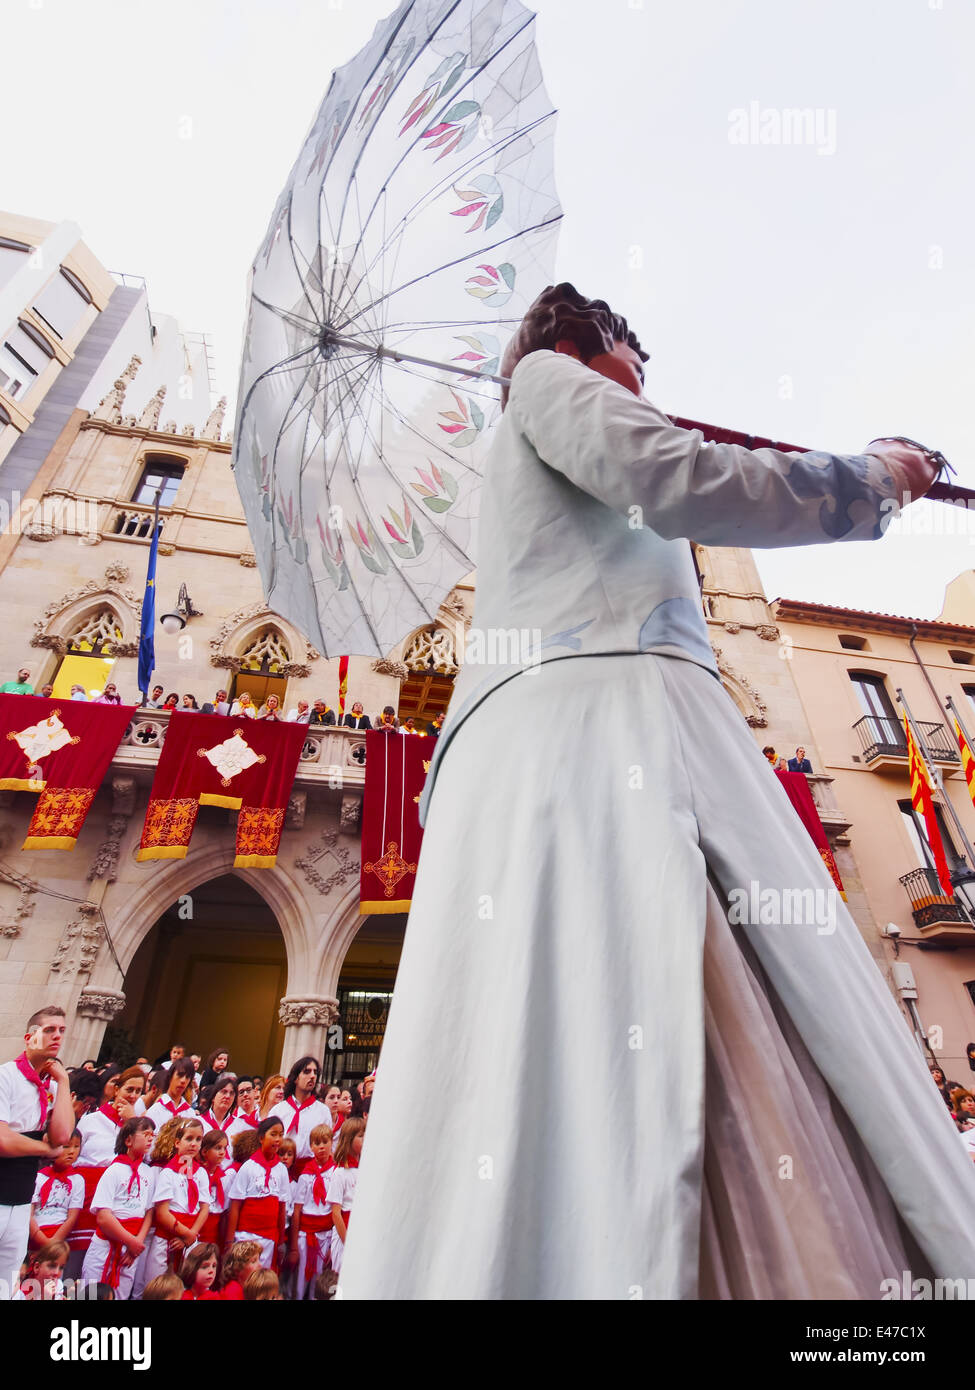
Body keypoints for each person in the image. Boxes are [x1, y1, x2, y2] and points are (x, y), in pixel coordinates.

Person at [341, 281, 975, 1300]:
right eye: (638, 366)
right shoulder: (549, 383)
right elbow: (676, 476)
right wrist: (875, 479)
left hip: (553, 732)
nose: (649, 389)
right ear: (586, 348)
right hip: (607, 716)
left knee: (585, 1016)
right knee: (670, 985)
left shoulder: (530, 443)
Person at [0, 1005, 73, 1297]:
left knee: (6, 1285)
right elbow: (3, 1140)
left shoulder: (51, 1083)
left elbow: (63, 1135)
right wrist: (45, 1148)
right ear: (30, 1037)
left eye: (62, 1031)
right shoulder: (6, 1076)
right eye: (49, 1030)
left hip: (20, 1199)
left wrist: (65, 1081)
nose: (57, 1036)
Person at [82, 1116, 155, 1299]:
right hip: (105, 1247)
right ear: (128, 1140)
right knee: (92, 1293)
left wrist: (136, 1244)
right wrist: (131, 1242)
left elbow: (148, 1212)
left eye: (152, 1135)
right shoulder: (113, 1171)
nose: (150, 1139)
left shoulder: (148, 1173)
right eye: (145, 1134)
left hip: (130, 1250)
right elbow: (103, 1217)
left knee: (121, 1294)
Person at [142, 1115, 209, 1285]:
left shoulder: (201, 1173)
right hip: (168, 1239)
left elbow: (204, 1208)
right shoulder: (168, 1173)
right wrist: (186, 1234)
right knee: (158, 1284)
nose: (194, 1143)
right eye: (189, 1138)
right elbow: (162, 1212)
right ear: (177, 1142)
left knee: (185, 1285)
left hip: (190, 1240)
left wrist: (190, 1236)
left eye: (198, 1139)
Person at [225, 1117, 289, 1269]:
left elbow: (281, 1207)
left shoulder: (281, 1170)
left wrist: (280, 1241)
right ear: (261, 1138)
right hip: (246, 1235)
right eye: (273, 1134)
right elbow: (235, 1205)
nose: (278, 1139)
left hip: (269, 1238)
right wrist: (229, 1240)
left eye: (281, 1135)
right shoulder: (248, 1167)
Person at [290, 1123, 335, 1300]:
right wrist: (294, 1245)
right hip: (305, 1236)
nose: (321, 1146)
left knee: (320, 1281)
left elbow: (335, 1208)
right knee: (300, 1282)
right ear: (311, 1147)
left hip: (326, 1235)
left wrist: (332, 1244)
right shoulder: (305, 1175)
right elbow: (297, 1211)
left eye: (325, 1142)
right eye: (317, 1143)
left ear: (332, 1143)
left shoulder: (335, 1173)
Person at [29, 1129, 83, 1249]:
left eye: (76, 1146)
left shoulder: (77, 1180)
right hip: (36, 1236)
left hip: (59, 1240)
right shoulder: (39, 1176)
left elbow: (72, 1217)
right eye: (66, 1146)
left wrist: (54, 1242)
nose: (72, 1151)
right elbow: (29, 1213)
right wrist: (40, 1239)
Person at [270, 1058, 331, 1161]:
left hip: (310, 1170)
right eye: (307, 1071)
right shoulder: (278, 1110)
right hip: (282, 1165)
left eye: (315, 1072)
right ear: (295, 1078)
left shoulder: (323, 1111)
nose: (312, 1076)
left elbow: (327, 1144)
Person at [326, 1116, 364, 1277]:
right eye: (361, 1136)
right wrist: (347, 1241)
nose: (366, 1139)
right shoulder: (340, 1173)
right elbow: (336, 1213)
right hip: (345, 1234)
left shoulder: (365, 1169)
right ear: (349, 1140)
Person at [198, 1131, 232, 1248]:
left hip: (215, 1229)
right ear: (204, 1152)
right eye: (218, 1148)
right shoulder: (197, 1175)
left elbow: (225, 1210)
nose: (222, 1152)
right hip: (198, 1226)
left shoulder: (225, 1178)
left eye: (224, 1148)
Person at [144, 1058, 195, 1128]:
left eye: (188, 1077)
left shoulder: (191, 1114)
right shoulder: (155, 1111)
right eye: (180, 1075)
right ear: (170, 1077)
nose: (183, 1080)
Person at [227, 1076, 260, 1143]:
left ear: (255, 1092)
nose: (245, 1094)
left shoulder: (263, 1115)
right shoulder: (230, 1119)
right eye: (241, 1092)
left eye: (248, 1090)